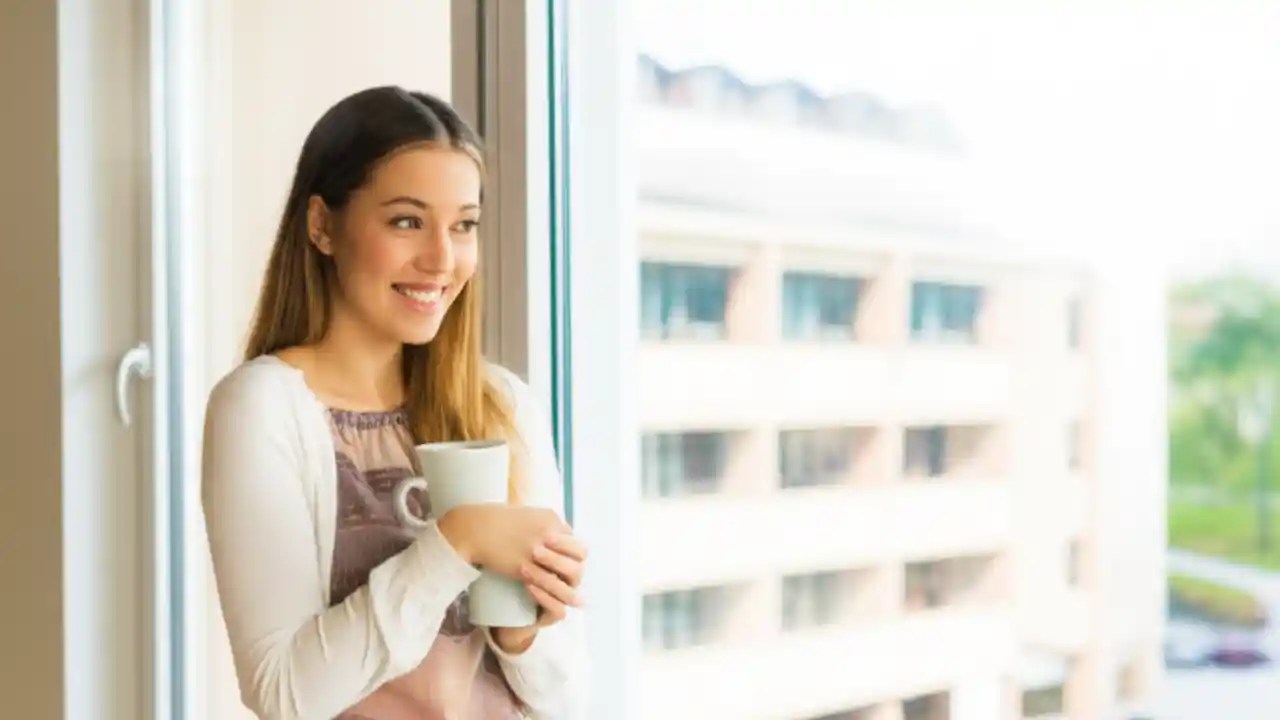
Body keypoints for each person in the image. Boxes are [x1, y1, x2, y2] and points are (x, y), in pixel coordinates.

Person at [202, 86, 587, 720]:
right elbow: (284, 695)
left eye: (463, 225)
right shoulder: (262, 407)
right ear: (323, 225)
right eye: (407, 221)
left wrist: (524, 634)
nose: (442, 259)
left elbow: (568, 698)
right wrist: (454, 544)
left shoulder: (501, 403)